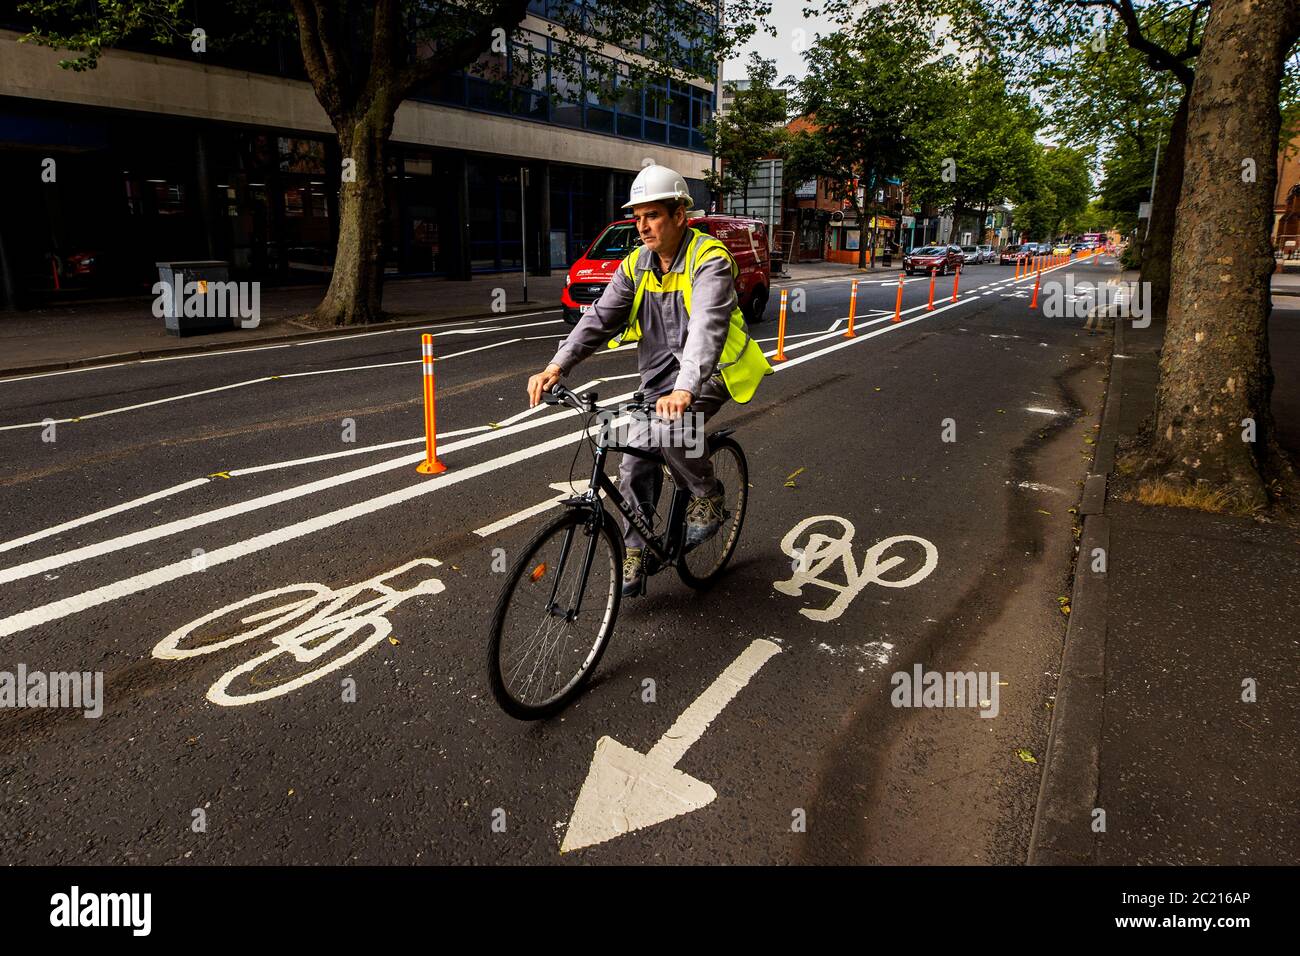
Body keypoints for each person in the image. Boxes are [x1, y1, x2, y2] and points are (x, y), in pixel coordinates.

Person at [526, 164, 773, 597]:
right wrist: (557, 366)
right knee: (633, 457)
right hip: (660, 381)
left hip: (711, 372)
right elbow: (599, 318)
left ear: (680, 214)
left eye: (652, 215)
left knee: (671, 428)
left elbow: (708, 328)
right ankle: (636, 549)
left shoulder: (708, 259)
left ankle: (707, 494)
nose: (642, 226)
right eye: (637, 217)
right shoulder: (636, 264)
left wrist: (685, 388)